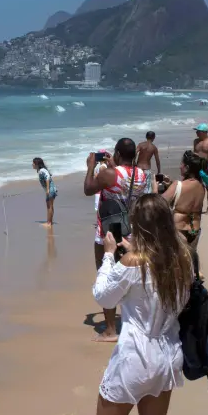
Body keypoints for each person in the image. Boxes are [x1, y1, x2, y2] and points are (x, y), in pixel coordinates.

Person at [91, 194, 193, 415]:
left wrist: (109, 256)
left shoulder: (134, 261)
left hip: (136, 353)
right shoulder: (183, 257)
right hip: (168, 351)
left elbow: (103, 296)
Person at [85, 138, 147, 342]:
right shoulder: (141, 175)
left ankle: (111, 329)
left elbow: (88, 189)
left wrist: (91, 166)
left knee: (107, 274)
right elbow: (122, 184)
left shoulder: (110, 174)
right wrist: (113, 166)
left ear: (118, 154)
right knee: (129, 274)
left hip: (110, 231)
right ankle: (133, 319)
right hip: (131, 230)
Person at [160, 150, 206, 263]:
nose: (180, 166)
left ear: (187, 167)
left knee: (178, 264)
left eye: (182, 164)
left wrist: (155, 188)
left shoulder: (178, 185)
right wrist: (171, 185)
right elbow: (187, 199)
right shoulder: (201, 185)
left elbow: (159, 203)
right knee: (189, 260)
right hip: (195, 230)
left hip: (179, 230)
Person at [32, 157, 57, 227]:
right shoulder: (41, 170)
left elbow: (47, 178)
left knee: (49, 206)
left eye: (33, 163)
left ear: (37, 164)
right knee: (50, 206)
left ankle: (49, 223)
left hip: (51, 190)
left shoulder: (42, 170)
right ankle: (50, 222)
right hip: (52, 190)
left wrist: (48, 190)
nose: (32, 164)